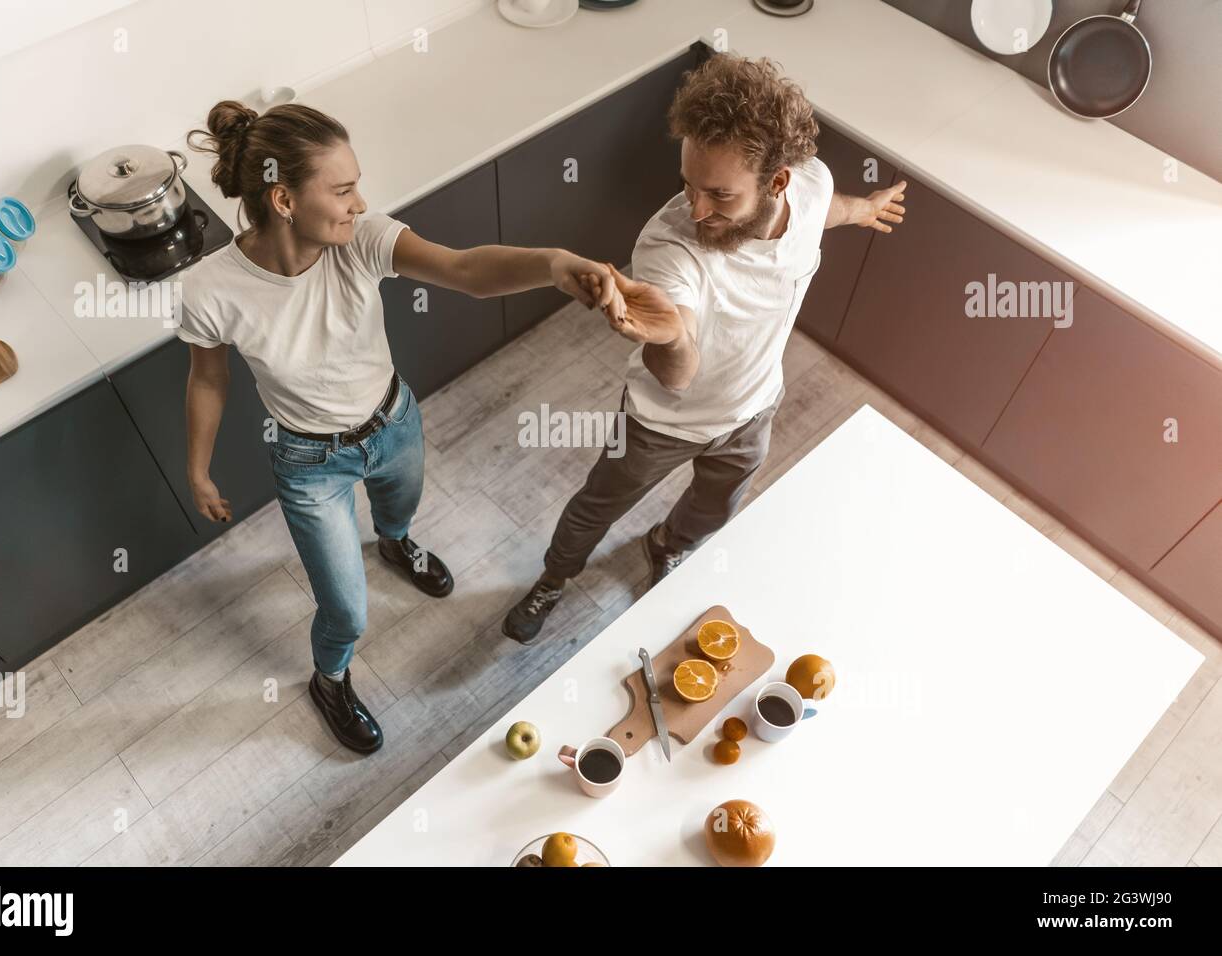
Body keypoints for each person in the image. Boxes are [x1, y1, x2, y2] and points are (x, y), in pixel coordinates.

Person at [177, 101, 622, 753]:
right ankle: (328, 681)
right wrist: (196, 467)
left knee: (399, 510)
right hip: (309, 465)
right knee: (347, 612)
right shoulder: (211, 289)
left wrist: (553, 264)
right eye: (343, 189)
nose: (360, 202)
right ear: (284, 199)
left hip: (393, 424)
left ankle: (393, 544)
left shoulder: (360, 240)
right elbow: (208, 378)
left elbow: (464, 270)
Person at [503, 53, 908, 645]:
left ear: (778, 182)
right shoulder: (671, 246)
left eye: (718, 194)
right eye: (688, 185)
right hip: (660, 423)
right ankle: (553, 579)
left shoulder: (813, 184)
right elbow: (677, 375)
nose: (696, 209)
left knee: (714, 510)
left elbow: (826, 209)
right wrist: (668, 336)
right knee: (596, 506)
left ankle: (665, 545)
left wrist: (865, 209)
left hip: (752, 411)